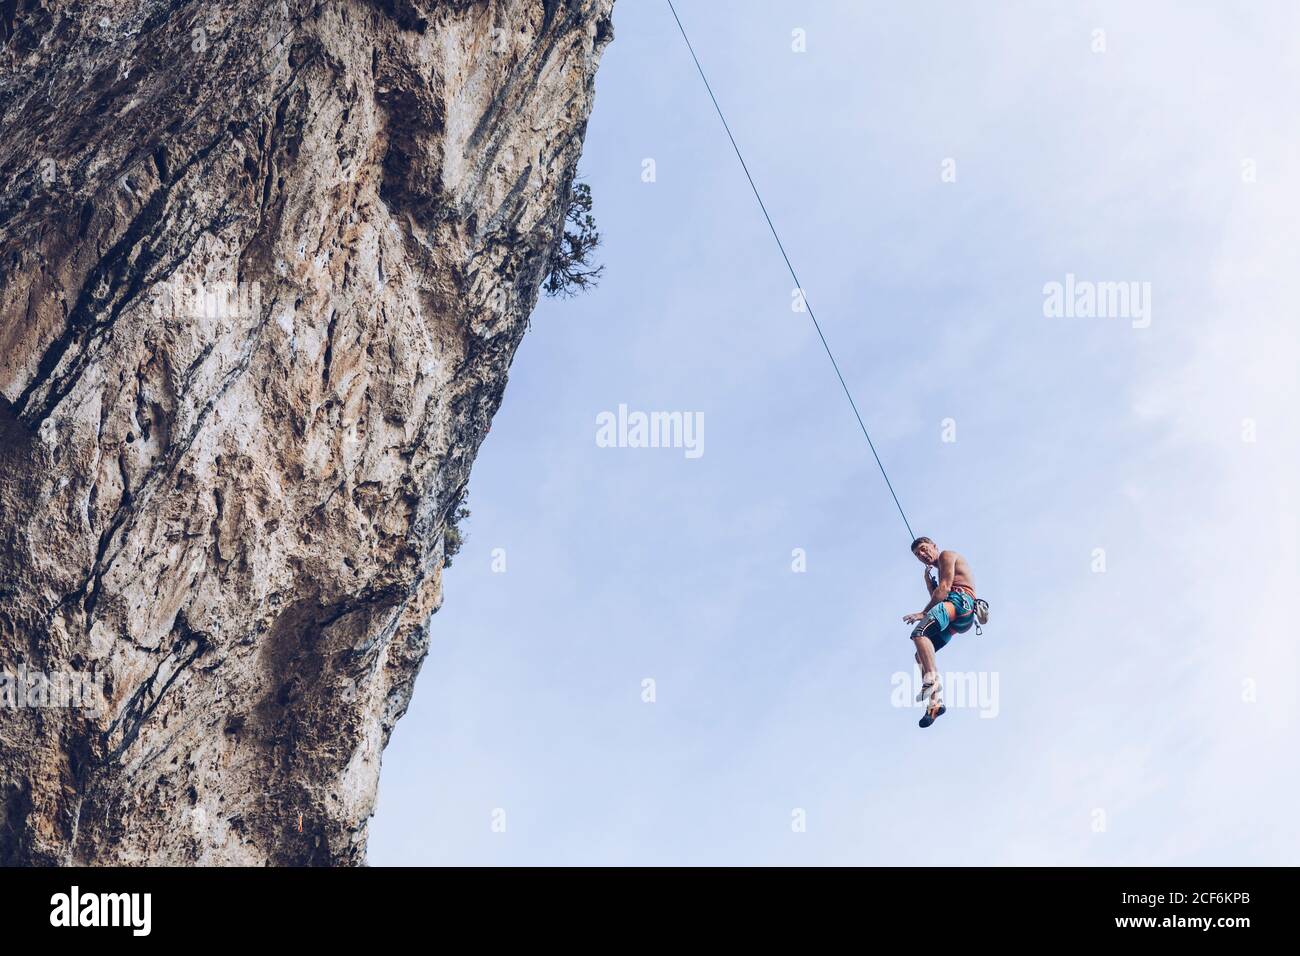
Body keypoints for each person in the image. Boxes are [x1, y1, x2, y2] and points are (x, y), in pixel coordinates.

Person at [902, 537, 979, 728]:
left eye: (924, 549)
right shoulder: (939, 568)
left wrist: (923, 613)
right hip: (958, 619)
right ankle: (934, 704)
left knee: (919, 633)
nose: (922, 555)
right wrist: (930, 586)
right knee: (920, 655)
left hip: (961, 603)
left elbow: (944, 590)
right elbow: (939, 597)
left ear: (934, 546)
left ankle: (931, 681)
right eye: (918, 555)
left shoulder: (947, 555)